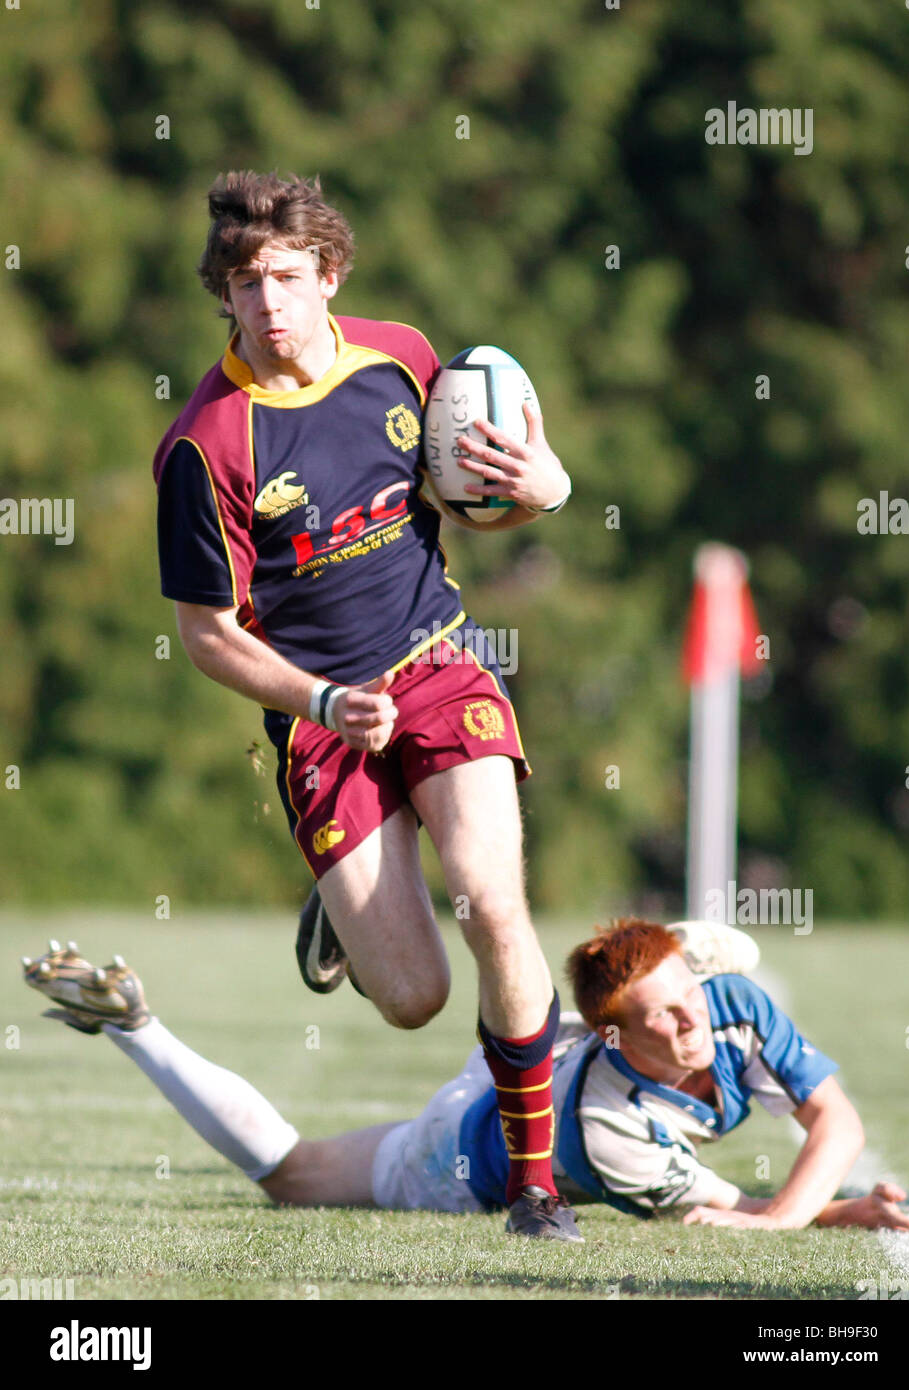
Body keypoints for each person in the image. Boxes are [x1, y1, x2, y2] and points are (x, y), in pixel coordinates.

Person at [151, 170, 576, 1239]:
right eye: (246, 284)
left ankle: (535, 1184)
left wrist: (544, 491)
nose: (269, 304)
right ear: (226, 296)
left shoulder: (405, 360)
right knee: (413, 998)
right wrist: (322, 699)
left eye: (288, 278)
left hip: (436, 662)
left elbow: (472, 504)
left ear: (330, 274)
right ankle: (345, 899)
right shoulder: (205, 448)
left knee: (490, 898)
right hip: (319, 721)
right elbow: (208, 637)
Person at [21, 921, 909, 1234]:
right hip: (462, 1151)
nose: (697, 1022)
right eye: (668, 1016)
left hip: (538, 1046)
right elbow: (740, 1216)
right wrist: (843, 1212)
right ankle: (140, 1027)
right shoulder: (613, 1133)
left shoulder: (728, 1002)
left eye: (692, 996)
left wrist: (824, 1199)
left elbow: (831, 1121)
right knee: (293, 1178)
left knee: (522, 972)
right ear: (620, 1036)